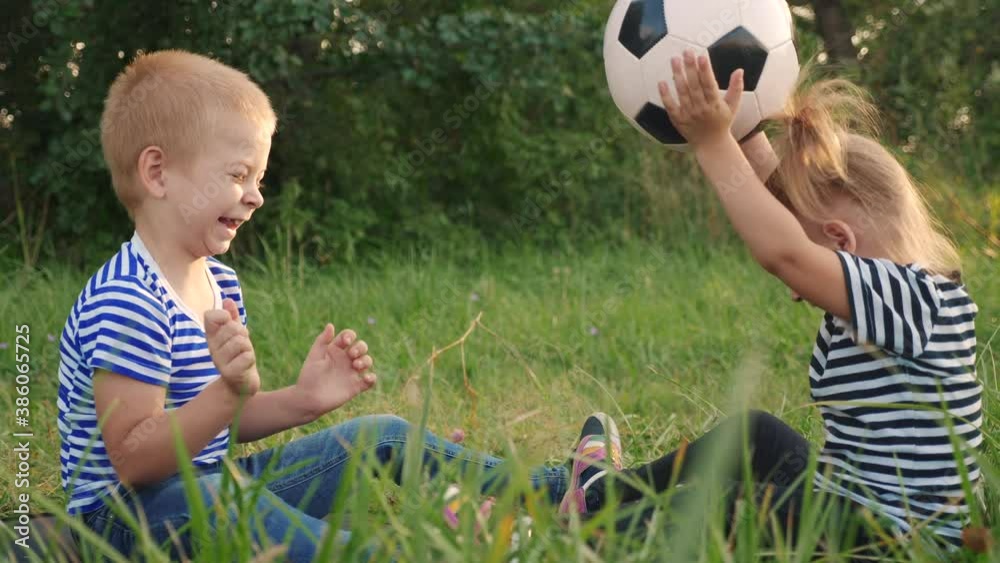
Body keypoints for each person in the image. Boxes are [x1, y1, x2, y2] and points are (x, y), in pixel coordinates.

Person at [56, 49, 626, 561]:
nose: (257, 195)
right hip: (125, 526)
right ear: (157, 172)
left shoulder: (219, 284)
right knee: (219, 501)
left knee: (378, 434)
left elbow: (213, 426)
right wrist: (227, 391)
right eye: (238, 175)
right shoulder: (127, 298)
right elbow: (135, 460)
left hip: (209, 484)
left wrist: (302, 401)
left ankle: (568, 495)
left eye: (260, 176)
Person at [565, 52, 982, 555]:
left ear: (840, 241)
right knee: (755, 433)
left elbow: (783, 248)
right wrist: (742, 132)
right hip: (853, 504)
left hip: (893, 539)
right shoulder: (903, 295)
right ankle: (603, 496)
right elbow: (783, 207)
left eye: (809, 269)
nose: (798, 284)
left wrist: (712, 143)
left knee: (733, 504)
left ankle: (564, 540)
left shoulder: (907, 296)